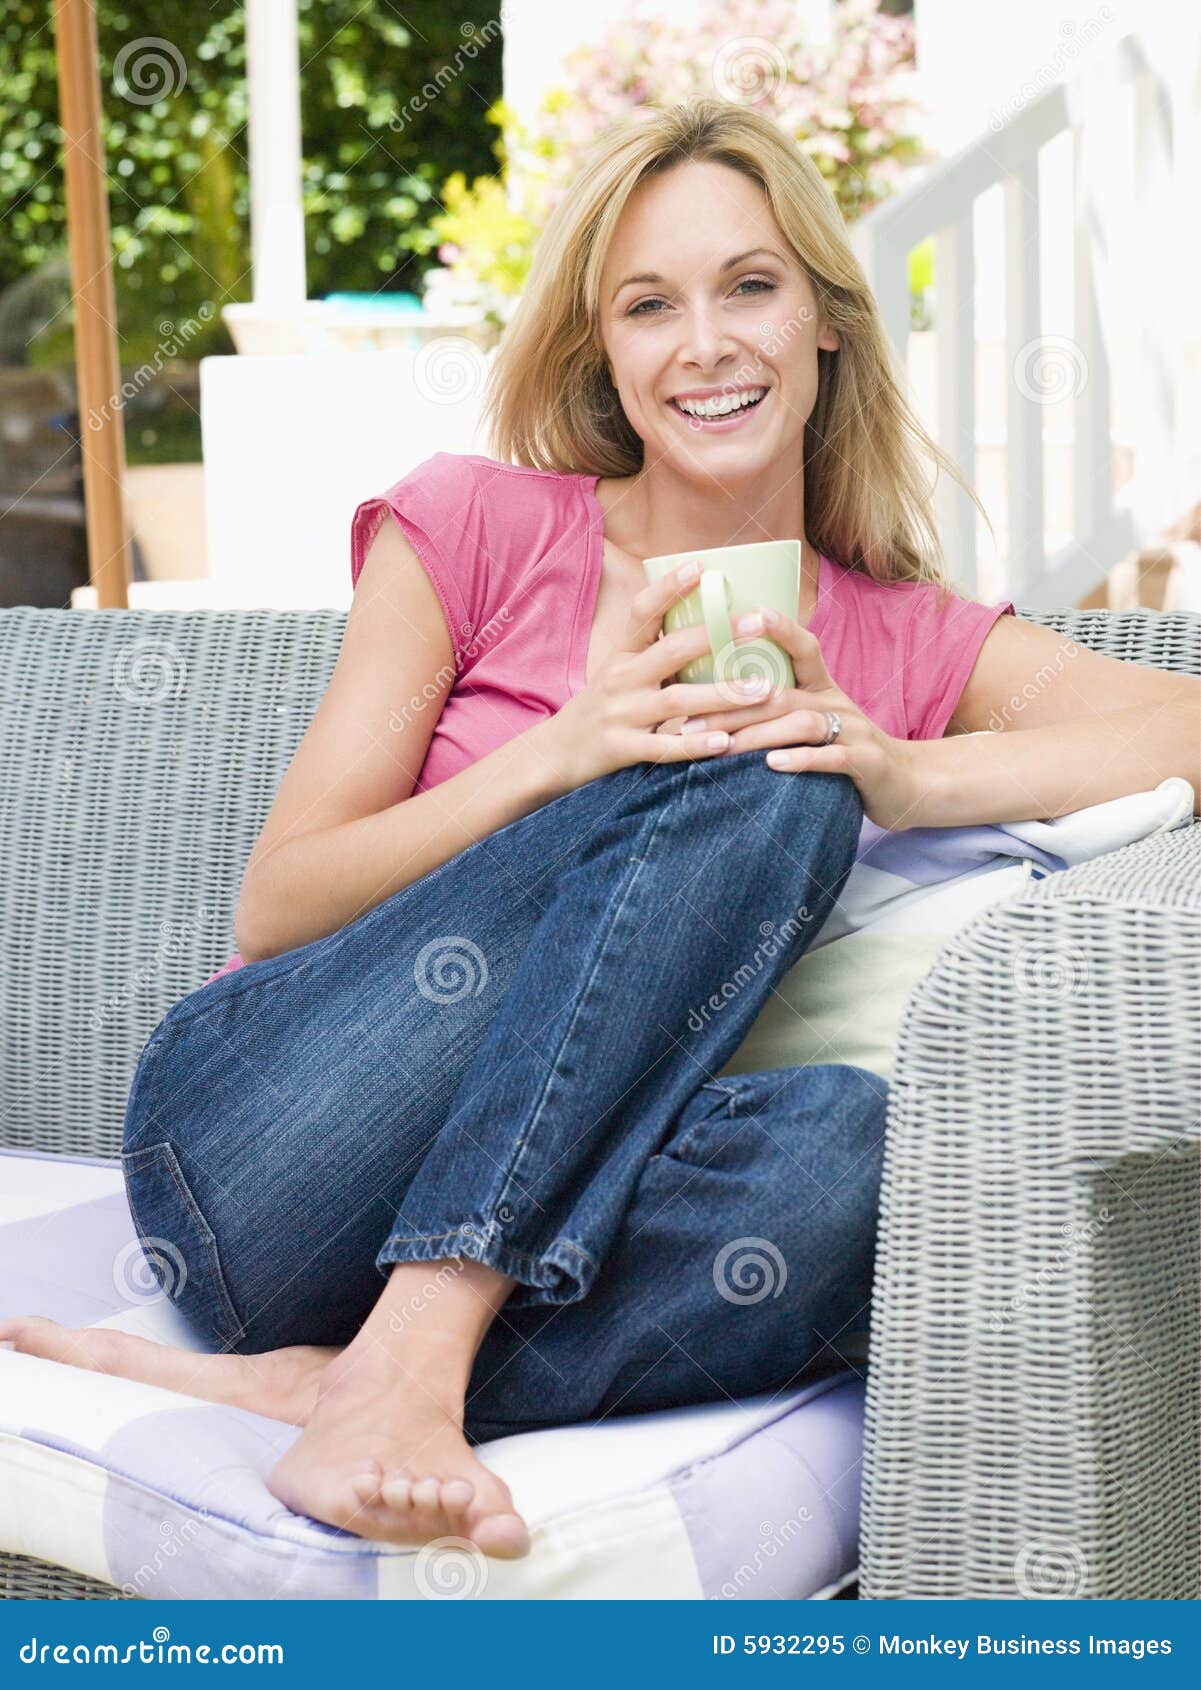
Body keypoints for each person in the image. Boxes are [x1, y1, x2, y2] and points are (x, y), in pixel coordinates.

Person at [3, 98, 1196, 1561]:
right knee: (759, 760)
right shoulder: (480, 529)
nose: (704, 343)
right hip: (268, 1149)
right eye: (650, 305)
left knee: (854, 1147)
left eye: (749, 287)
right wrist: (563, 759)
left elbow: (1181, 721)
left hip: (553, 1227)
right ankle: (414, 1339)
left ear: (823, 321)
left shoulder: (900, 635)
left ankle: (352, 1374)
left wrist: (893, 763)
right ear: (606, 356)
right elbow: (279, 902)